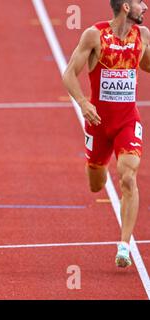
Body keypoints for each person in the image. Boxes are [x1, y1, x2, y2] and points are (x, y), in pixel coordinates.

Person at [63, 0, 149, 267]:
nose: (144, 7)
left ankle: (124, 245)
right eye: (139, 3)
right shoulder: (94, 35)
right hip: (98, 123)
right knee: (96, 184)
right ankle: (97, 166)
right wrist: (83, 103)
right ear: (125, 7)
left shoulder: (143, 36)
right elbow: (69, 75)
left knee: (128, 176)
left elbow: (147, 65)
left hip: (127, 121)